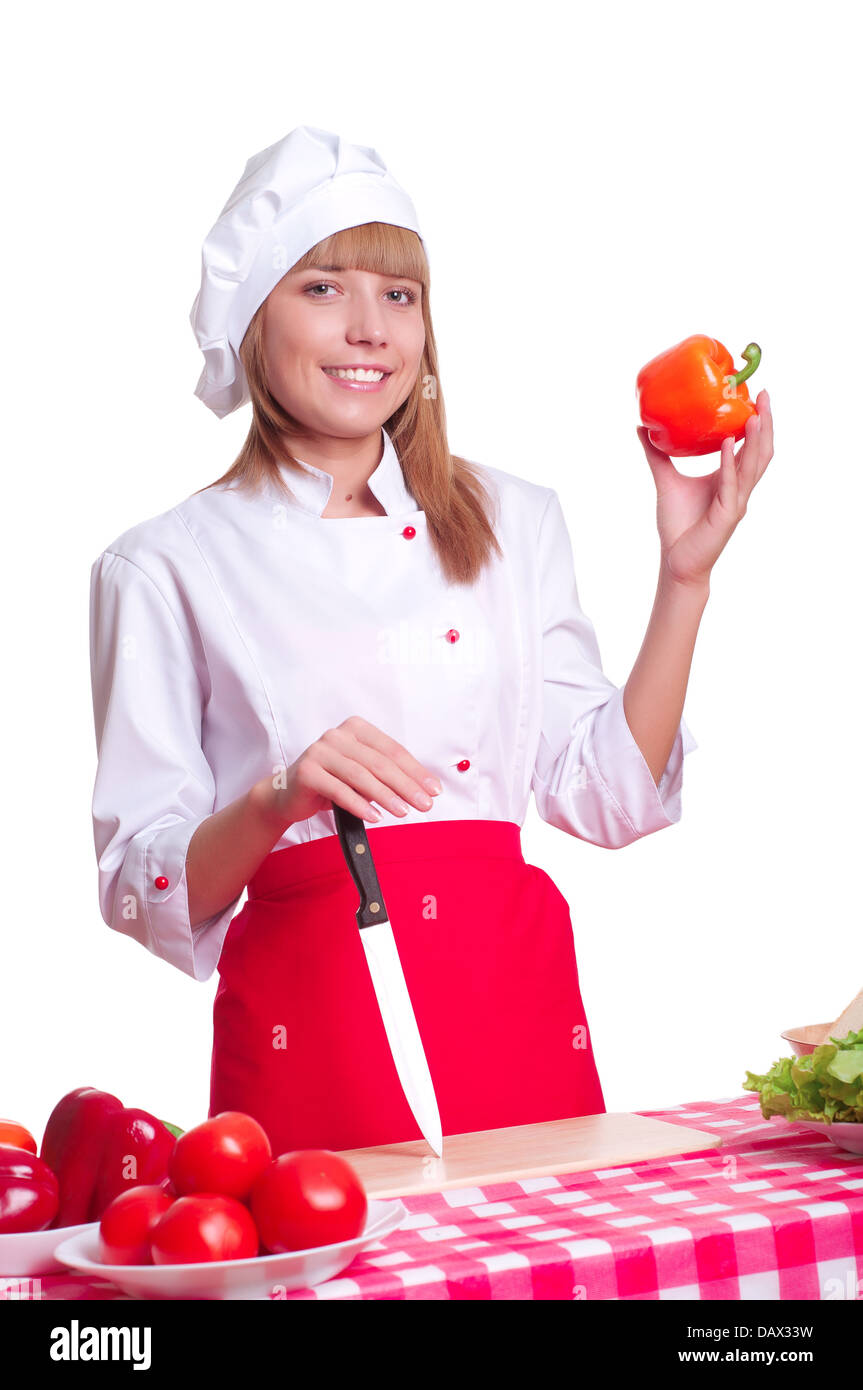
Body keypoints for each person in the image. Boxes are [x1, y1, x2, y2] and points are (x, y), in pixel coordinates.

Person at [88, 125, 773, 1156]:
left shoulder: (514, 518)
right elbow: (142, 883)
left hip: (512, 997)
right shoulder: (165, 564)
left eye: (397, 295)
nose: (368, 329)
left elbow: (606, 794)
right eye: (321, 287)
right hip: (312, 1028)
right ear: (251, 317)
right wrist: (280, 797)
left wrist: (684, 579)